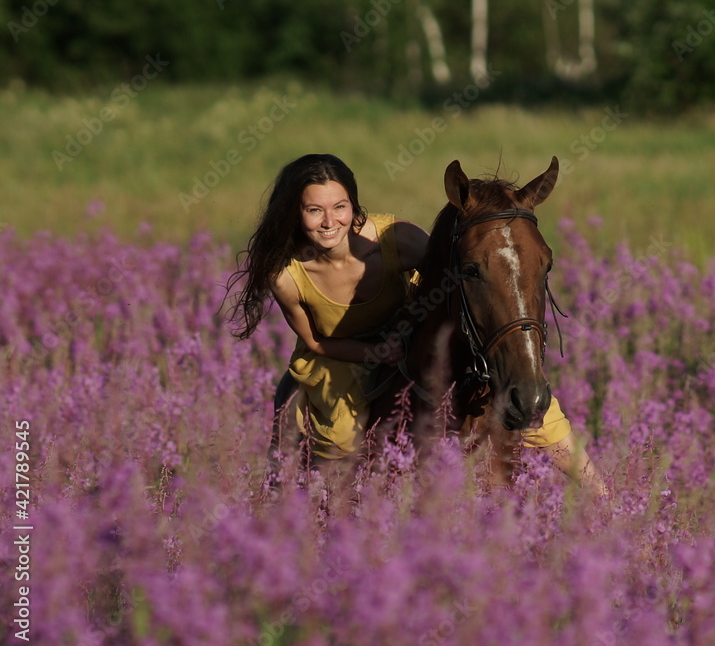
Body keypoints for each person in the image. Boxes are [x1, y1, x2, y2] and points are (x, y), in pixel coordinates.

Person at [229, 154, 606, 494]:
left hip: (406, 327)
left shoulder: (395, 239)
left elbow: (442, 279)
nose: (330, 221)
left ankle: (604, 501)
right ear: (294, 213)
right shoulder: (287, 275)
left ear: (353, 205)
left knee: (541, 411)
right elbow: (313, 341)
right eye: (314, 210)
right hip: (340, 354)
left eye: (340, 207)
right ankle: (324, 511)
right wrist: (376, 351)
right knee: (340, 438)